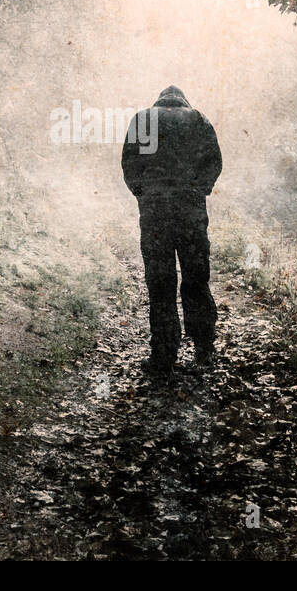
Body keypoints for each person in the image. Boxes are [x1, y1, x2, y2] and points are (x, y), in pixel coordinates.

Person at [121, 86, 222, 378]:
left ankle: (163, 355)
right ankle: (204, 350)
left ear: (159, 101)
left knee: (161, 283)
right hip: (190, 212)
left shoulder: (143, 119)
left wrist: (144, 194)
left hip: (154, 215)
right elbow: (214, 161)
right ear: (183, 101)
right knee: (196, 279)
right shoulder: (199, 119)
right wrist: (199, 190)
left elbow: (129, 164)